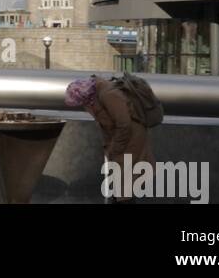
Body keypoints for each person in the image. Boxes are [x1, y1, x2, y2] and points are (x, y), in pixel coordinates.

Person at [65, 75, 154, 203]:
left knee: (125, 186)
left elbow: (124, 124)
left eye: (81, 102)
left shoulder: (109, 95)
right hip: (124, 142)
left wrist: (115, 149)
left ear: (85, 96)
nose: (83, 107)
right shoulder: (96, 97)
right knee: (123, 185)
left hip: (130, 141)